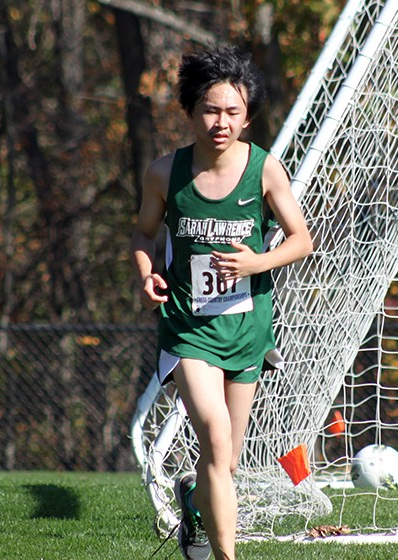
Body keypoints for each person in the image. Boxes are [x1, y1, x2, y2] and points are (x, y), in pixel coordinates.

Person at [130, 46, 313, 560]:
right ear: (190, 110)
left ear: (247, 115)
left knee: (225, 463)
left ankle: (192, 497)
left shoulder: (265, 170)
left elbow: (301, 239)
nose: (221, 122)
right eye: (211, 110)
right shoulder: (165, 174)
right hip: (188, 328)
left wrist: (257, 262)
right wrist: (147, 274)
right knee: (212, 433)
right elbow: (144, 236)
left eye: (233, 112)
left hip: (247, 329)